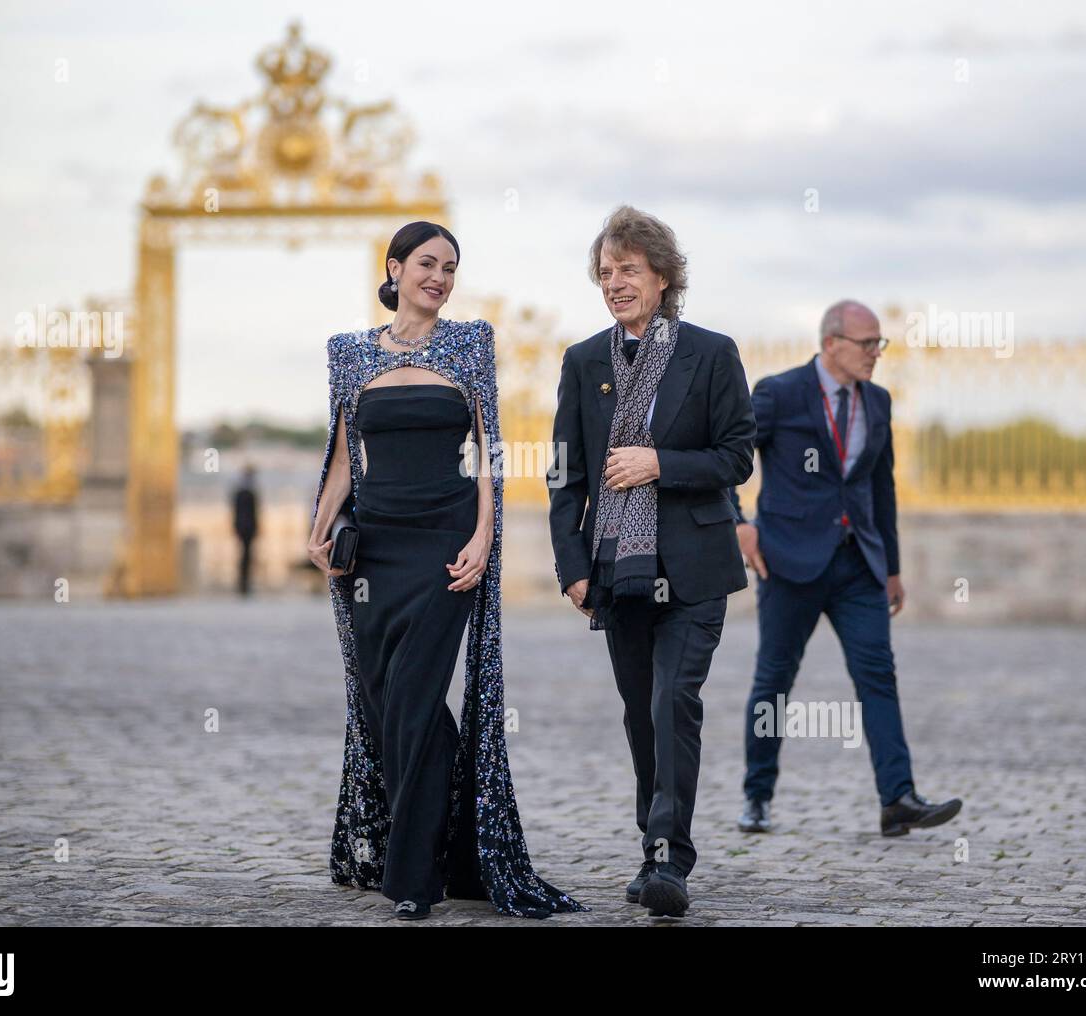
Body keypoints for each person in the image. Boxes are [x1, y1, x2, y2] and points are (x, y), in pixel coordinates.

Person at [308, 220, 585, 921]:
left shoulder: (470, 343)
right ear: (394, 269)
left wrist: (487, 532)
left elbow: (490, 447)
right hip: (374, 551)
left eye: (451, 267)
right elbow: (346, 454)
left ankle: (412, 876)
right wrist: (319, 525)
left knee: (411, 694)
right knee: (387, 703)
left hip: (444, 545)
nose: (440, 276)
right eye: (427, 263)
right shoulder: (347, 353)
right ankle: (457, 849)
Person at [546, 205, 756, 918]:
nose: (615, 284)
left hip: (696, 565)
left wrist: (658, 463)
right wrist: (572, 565)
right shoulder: (581, 363)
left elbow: (736, 458)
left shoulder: (712, 352)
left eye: (629, 270)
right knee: (640, 713)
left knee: (674, 701)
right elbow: (565, 476)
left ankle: (670, 857)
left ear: (663, 277)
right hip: (615, 569)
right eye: (605, 273)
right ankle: (651, 843)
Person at [730, 299, 963, 837]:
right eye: (867, 343)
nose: (876, 354)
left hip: (859, 564)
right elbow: (730, 458)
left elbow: (882, 488)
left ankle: (897, 798)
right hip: (788, 562)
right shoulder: (779, 393)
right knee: (774, 681)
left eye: (880, 343)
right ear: (831, 343)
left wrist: (893, 568)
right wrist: (738, 523)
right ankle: (757, 796)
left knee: (878, 674)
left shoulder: (878, 402)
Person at [232, 464, 259, 596]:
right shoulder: (247, 491)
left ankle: (244, 583)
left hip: (244, 528)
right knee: (246, 556)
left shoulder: (241, 491)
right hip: (246, 528)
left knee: (246, 555)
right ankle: (244, 584)